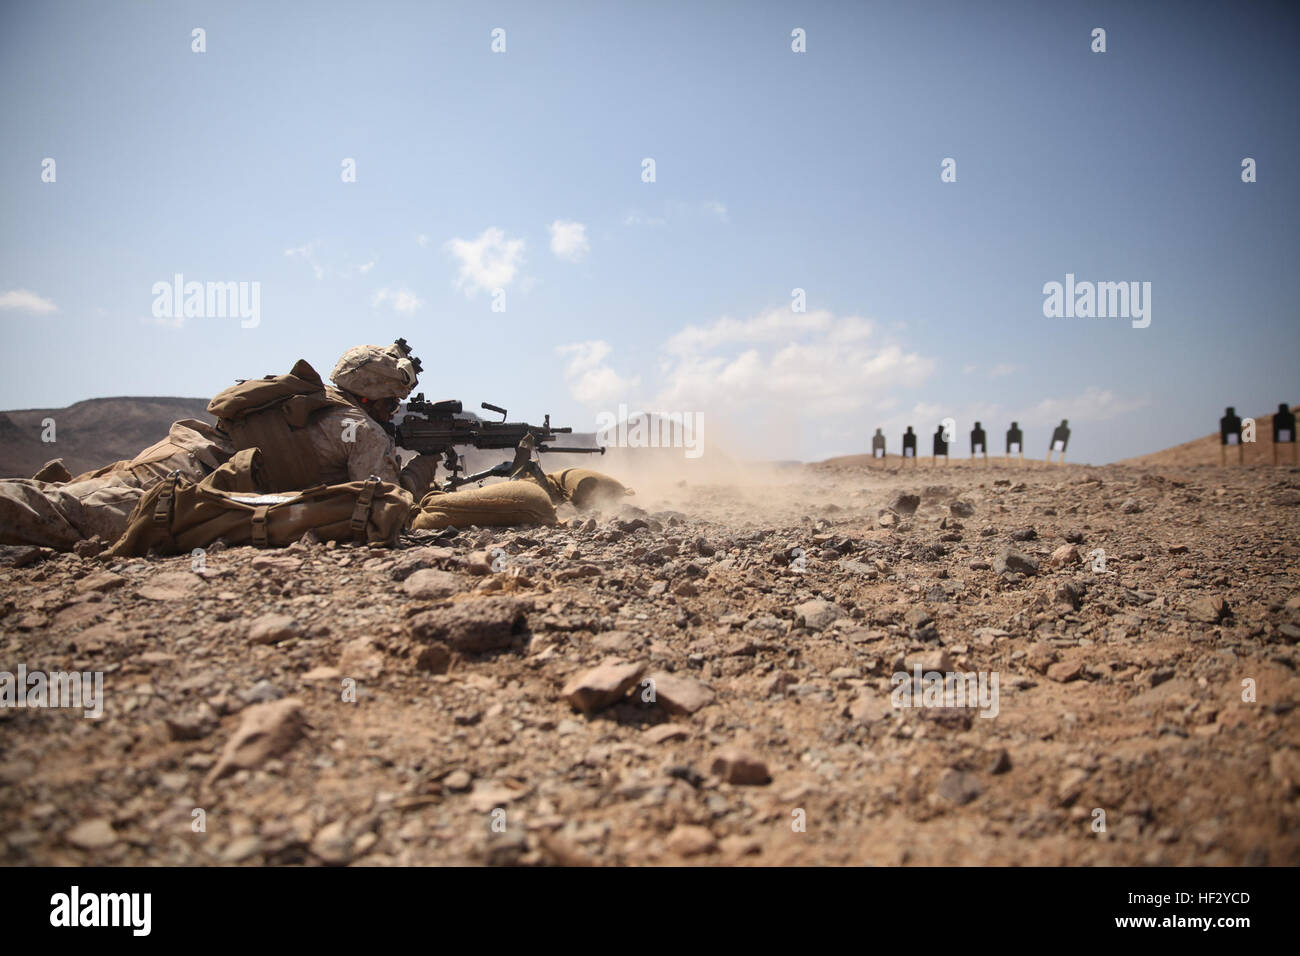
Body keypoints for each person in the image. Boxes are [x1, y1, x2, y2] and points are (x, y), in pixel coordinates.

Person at [0, 343, 439, 550]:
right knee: (55, 514)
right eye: (392, 402)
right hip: (185, 482)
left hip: (176, 453)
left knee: (59, 502)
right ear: (376, 395)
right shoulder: (361, 429)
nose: (394, 411)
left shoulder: (310, 399)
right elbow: (382, 505)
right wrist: (422, 468)